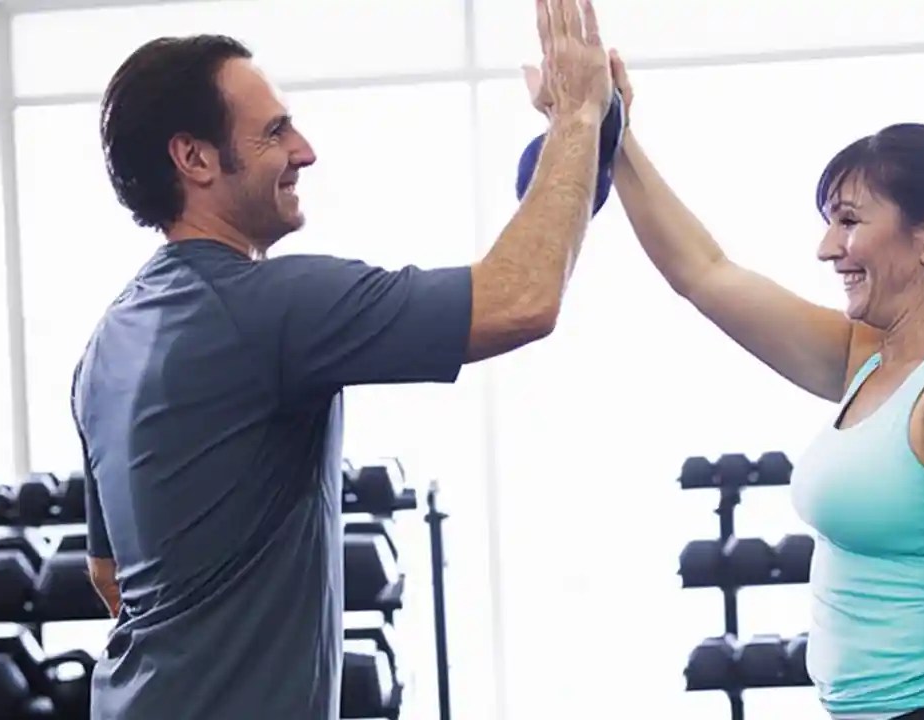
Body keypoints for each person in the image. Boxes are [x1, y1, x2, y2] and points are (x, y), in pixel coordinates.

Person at [72, 1, 613, 718]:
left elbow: (110, 577)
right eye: (273, 132)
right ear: (194, 158)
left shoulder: (107, 340)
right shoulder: (268, 308)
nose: (304, 149)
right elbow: (520, 297)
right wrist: (579, 118)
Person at [597, 56, 924, 719]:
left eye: (848, 220)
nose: (827, 247)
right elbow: (704, 273)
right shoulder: (868, 358)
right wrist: (615, 132)